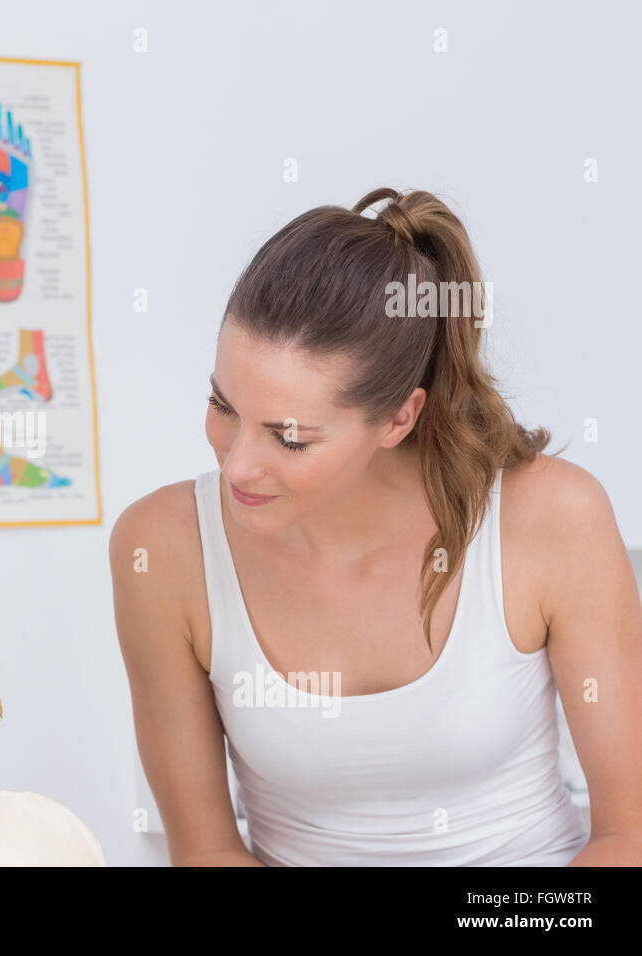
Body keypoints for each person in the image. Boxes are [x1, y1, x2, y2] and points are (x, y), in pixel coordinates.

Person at [109, 186, 642, 866]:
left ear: (398, 418)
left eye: (290, 438)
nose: (237, 464)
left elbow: (629, 836)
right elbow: (206, 849)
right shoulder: (161, 549)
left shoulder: (552, 518)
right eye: (223, 405)